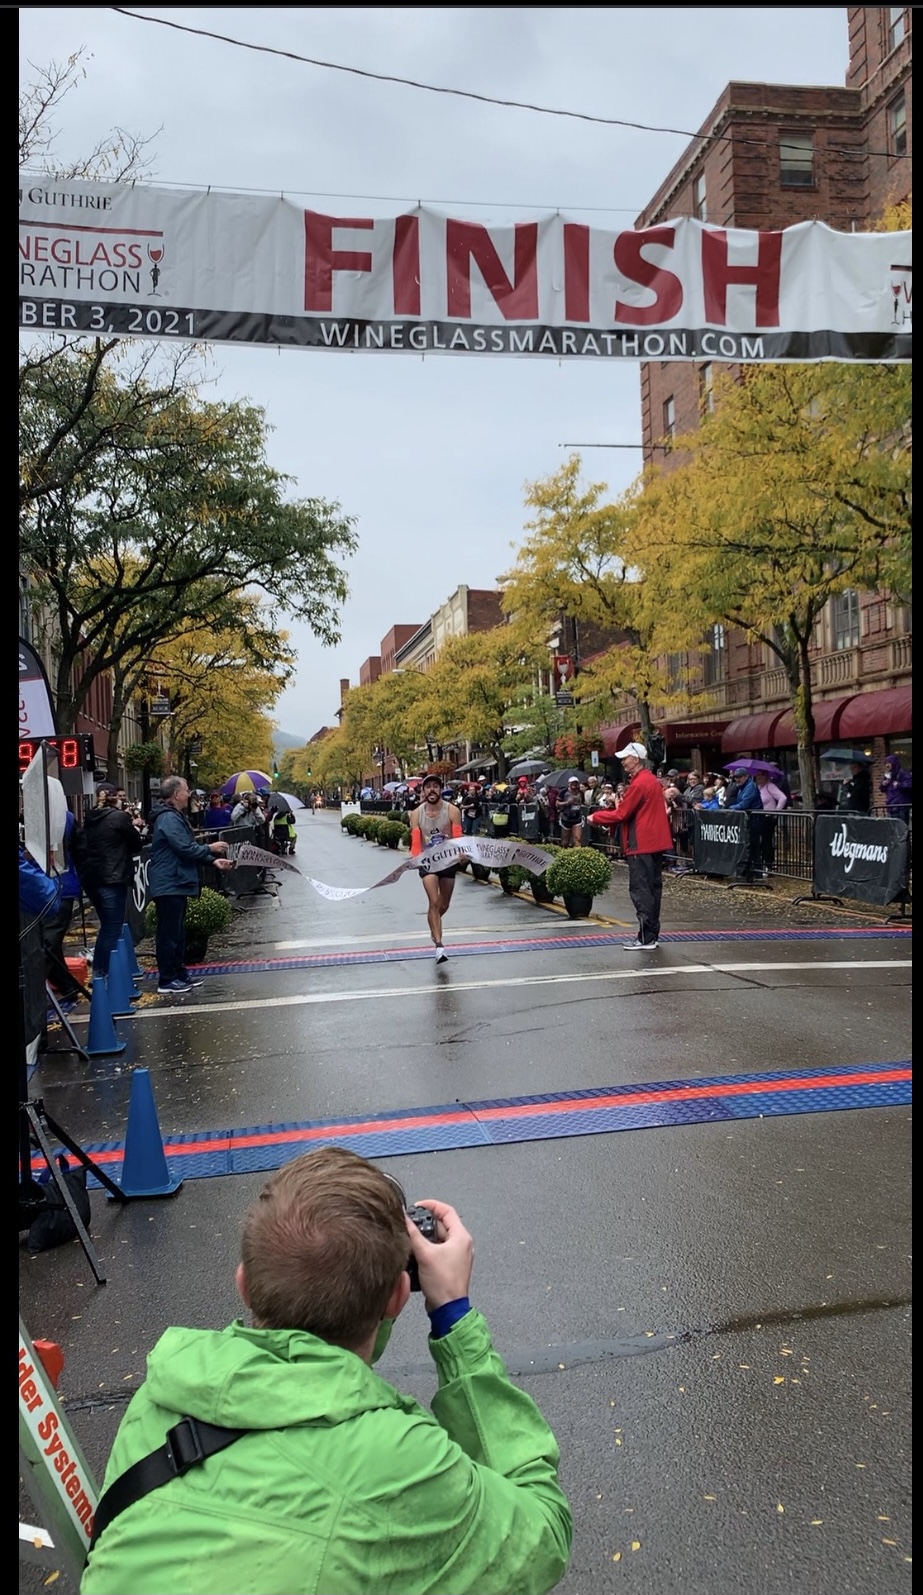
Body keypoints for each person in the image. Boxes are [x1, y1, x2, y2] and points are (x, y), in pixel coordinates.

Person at [80, 1146, 572, 1595]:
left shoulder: (160, 1396)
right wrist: (453, 1316)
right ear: (399, 1297)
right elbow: (542, 1534)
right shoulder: (398, 1462)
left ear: (244, 1285)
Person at [147, 776, 233, 994]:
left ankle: (179, 973)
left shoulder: (172, 816)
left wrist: (212, 861)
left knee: (177, 932)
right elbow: (184, 848)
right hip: (170, 881)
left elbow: (186, 848)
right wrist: (211, 849)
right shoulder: (168, 818)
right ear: (176, 794)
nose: (189, 794)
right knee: (169, 933)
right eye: (186, 790)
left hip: (175, 880)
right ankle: (167, 979)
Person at [590, 742, 673, 949]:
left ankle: (646, 937)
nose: (623, 762)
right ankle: (651, 935)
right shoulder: (650, 781)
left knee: (641, 889)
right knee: (653, 889)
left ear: (635, 759)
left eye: (625, 758)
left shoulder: (639, 784)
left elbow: (622, 813)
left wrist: (596, 817)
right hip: (654, 841)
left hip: (641, 843)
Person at [77, 784, 145, 980]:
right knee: (112, 927)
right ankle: (102, 973)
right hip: (113, 878)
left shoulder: (90, 818)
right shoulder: (119, 818)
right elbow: (136, 844)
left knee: (107, 926)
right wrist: (136, 828)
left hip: (92, 879)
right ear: (115, 798)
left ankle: (101, 971)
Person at [409, 773, 463, 962]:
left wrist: (461, 853)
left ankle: (434, 923)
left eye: (435, 786)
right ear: (423, 791)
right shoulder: (417, 814)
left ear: (440, 789)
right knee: (434, 901)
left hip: (448, 861)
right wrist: (415, 856)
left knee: (443, 904)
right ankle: (439, 946)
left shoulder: (452, 810)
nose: (432, 790)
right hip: (428, 862)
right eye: (428, 786)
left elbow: (457, 837)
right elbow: (416, 842)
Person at [754, 768, 788, 872]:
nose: (759, 777)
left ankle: (768, 864)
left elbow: (783, 798)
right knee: (759, 841)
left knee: (767, 841)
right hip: (759, 817)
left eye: (761, 775)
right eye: (757, 775)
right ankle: (760, 862)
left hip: (768, 817)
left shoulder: (770, 786)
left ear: (766, 776)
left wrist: (776, 812)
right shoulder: (759, 787)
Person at [879, 753, 911, 820]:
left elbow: (908, 786)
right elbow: (882, 789)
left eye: (889, 763)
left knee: (901, 825)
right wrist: (883, 784)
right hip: (890, 806)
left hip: (901, 806)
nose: (887, 765)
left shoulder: (903, 774)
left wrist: (899, 785)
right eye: (886, 763)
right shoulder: (888, 775)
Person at [556, 777, 585, 847]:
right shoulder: (563, 792)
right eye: (572, 783)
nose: (574, 785)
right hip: (566, 818)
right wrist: (567, 803)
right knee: (565, 841)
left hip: (577, 818)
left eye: (576, 783)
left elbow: (583, 802)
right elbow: (557, 804)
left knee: (578, 839)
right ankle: (564, 851)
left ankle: (578, 852)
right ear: (569, 784)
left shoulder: (580, 792)